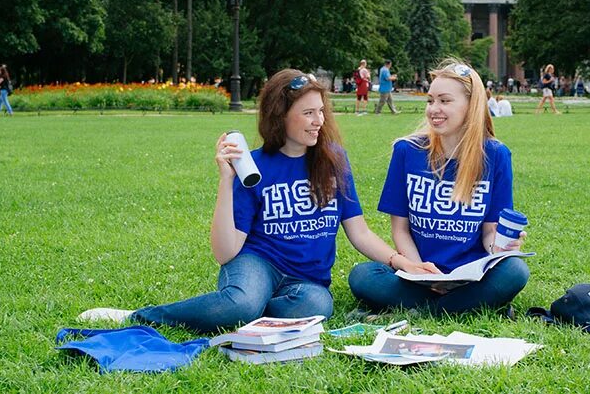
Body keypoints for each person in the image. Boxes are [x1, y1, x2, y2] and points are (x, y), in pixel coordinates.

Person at [78, 69, 434, 332]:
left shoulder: (333, 160)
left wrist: (403, 263)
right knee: (242, 301)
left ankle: (245, 313)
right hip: (257, 262)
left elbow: (358, 233)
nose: (318, 121)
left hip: (306, 281)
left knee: (317, 309)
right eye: (308, 113)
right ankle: (138, 317)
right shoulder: (255, 166)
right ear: (280, 115)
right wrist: (225, 180)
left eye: (321, 111)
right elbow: (226, 252)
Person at [349, 59, 530, 314]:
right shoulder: (407, 151)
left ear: (470, 105)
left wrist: (501, 248)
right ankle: (463, 306)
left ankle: (431, 309)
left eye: (445, 101)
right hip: (417, 272)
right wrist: (420, 271)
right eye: (430, 100)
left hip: (471, 275)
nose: (434, 108)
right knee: (362, 275)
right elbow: (400, 230)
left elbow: (490, 232)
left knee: (515, 271)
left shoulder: (496, 155)